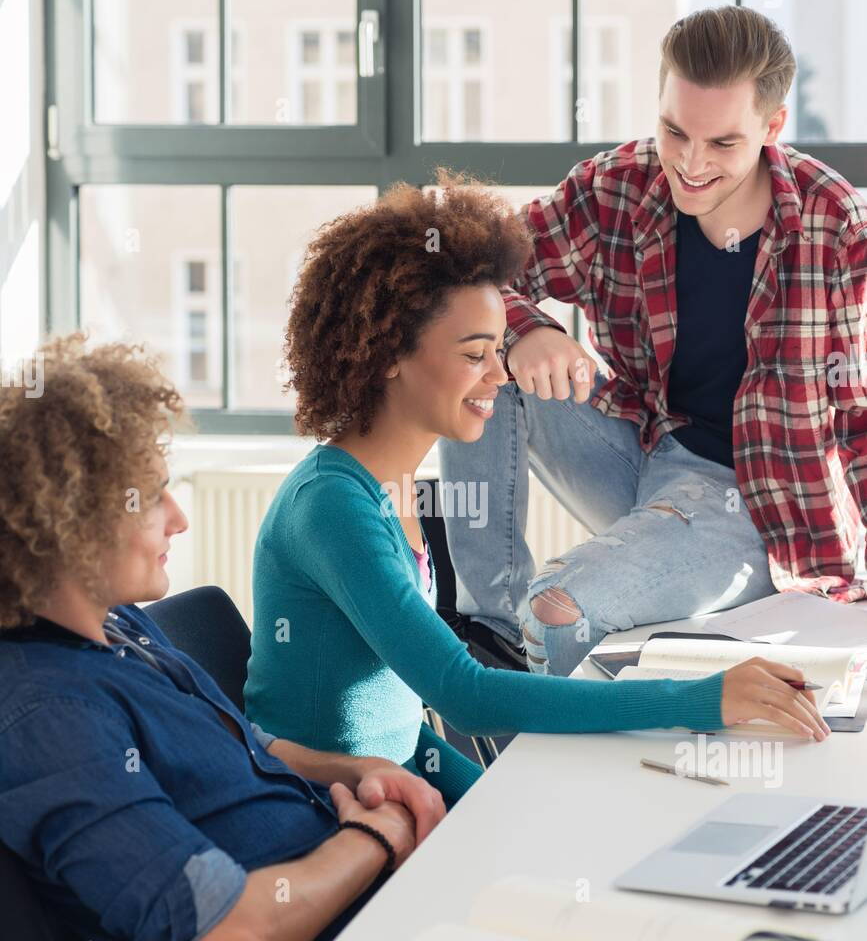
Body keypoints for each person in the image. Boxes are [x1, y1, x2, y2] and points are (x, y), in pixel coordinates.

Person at [243, 174, 828, 808]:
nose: (499, 375)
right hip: (318, 811)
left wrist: (492, 804)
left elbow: (402, 724)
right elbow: (464, 695)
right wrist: (706, 699)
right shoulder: (331, 506)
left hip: (394, 790)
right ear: (390, 354)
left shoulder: (398, 491)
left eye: (499, 350)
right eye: (475, 354)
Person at [0, 334, 445, 941]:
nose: (178, 518)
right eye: (151, 497)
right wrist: (374, 838)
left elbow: (245, 749)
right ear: (66, 524)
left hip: (373, 925)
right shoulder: (52, 718)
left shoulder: (118, 627)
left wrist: (356, 771)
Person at [438, 5, 867, 678]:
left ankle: (549, 744)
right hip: (640, 447)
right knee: (472, 348)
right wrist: (528, 331)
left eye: (722, 144)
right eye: (674, 132)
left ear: (771, 126)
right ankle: (482, 626)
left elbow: (859, 419)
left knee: (556, 606)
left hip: (763, 510)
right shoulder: (617, 186)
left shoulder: (834, 223)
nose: (690, 165)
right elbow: (466, 270)